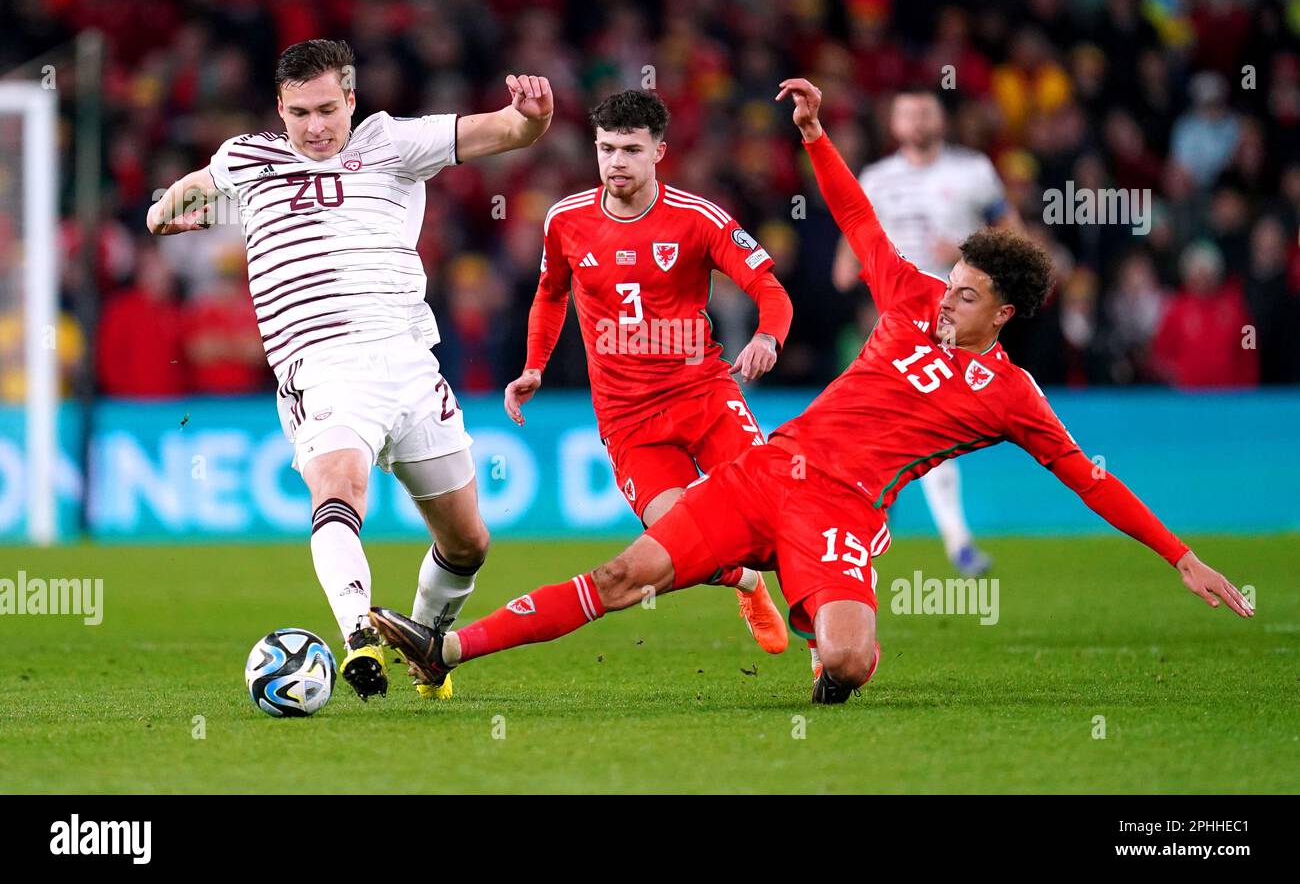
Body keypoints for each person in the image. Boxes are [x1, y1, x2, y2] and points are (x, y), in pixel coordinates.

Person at [370, 78, 1252, 704]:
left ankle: (821, 653)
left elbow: (1089, 479)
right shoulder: (910, 297)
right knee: (625, 570)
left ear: (1006, 313)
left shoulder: (1012, 397)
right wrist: (817, 137)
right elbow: (858, 219)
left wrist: (1181, 555)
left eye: (969, 293)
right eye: (951, 280)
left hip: (843, 517)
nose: (947, 295)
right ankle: (445, 643)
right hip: (770, 469)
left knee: (849, 659)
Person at [146, 38, 554, 702]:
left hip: (410, 362)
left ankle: (424, 639)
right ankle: (357, 633)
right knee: (340, 487)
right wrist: (165, 211)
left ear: (352, 101)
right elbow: (191, 190)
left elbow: (503, 130)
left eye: (328, 109)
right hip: (322, 363)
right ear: (279, 107)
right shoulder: (249, 159)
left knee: (469, 540)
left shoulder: (393, 144)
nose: (315, 126)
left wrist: (531, 116)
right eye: (300, 112)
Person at [503, 90, 794, 655]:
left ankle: (823, 649)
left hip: (704, 393)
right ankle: (746, 582)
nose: (617, 162)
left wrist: (766, 336)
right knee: (682, 537)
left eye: (632, 150)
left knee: (773, 517)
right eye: (607, 148)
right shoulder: (565, 220)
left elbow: (770, 291)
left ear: (659, 152)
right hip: (628, 417)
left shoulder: (697, 218)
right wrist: (534, 366)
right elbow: (549, 294)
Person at [832, 88, 1022, 577]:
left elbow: (1015, 242)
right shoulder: (876, 179)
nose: (917, 119)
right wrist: (875, 278)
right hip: (895, 322)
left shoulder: (973, 171)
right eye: (907, 111)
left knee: (924, 426)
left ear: (941, 119)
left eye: (925, 110)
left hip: (956, 322)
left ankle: (913, 536)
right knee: (891, 430)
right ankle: (907, 535)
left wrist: (963, 254)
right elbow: (844, 263)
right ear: (893, 124)